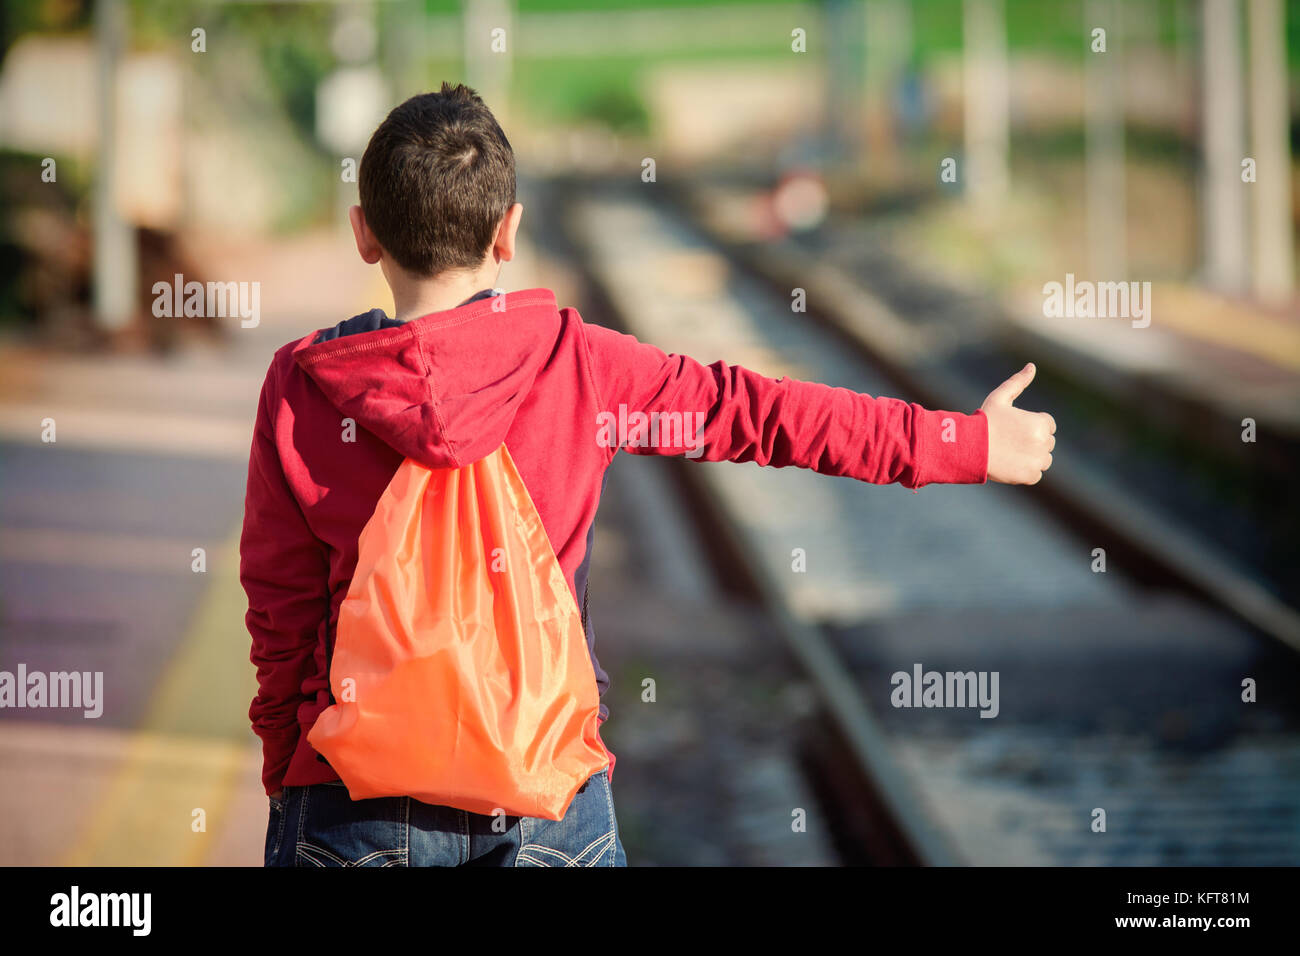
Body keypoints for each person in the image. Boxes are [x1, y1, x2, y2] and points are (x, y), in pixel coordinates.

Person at [241, 83, 1056, 868]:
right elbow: (759, 414)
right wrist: (968, 442)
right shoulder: (580, 367)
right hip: (545, 789)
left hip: (352, 794)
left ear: (363, 233)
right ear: (509, 232)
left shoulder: (305, 384)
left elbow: (279, 604)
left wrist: (289, 763)